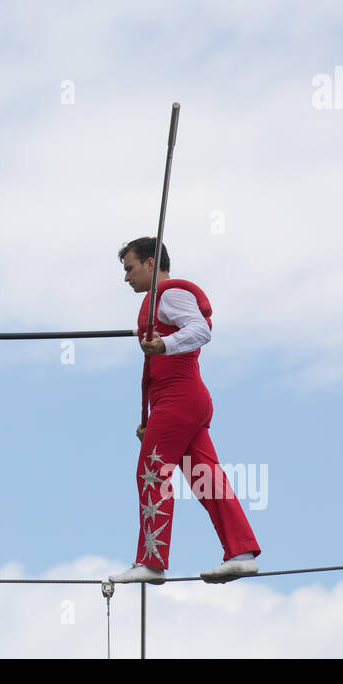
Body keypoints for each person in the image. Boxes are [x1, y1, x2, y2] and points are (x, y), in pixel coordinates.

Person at [109, 237, 261, 585]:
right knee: (205, 478)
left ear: (150, 264)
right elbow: (153, 373)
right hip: (179, 403)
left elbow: (201, 330)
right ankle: (242, 553)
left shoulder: (170, 295)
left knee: (151, 472)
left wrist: (164, 343)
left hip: (180, 400)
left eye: (130, 269)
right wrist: (150, 420)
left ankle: (152, 560)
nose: (126, 277)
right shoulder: (154, 303)